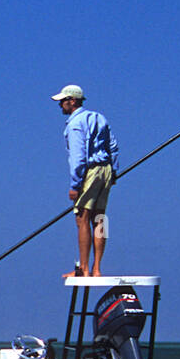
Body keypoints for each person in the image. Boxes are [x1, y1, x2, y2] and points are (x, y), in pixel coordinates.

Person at [51, 84, 119, 278]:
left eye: (63, 101)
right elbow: (113, 146)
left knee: (82, 217)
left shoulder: (75, 124)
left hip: (89, 171)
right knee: (100, 218)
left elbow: (78, 158)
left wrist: (75, 185)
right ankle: (97, 268)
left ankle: (84, 269)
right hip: (106, 169)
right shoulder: (99, 118)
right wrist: (113, 171)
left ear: (72, 101)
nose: (60, 105)